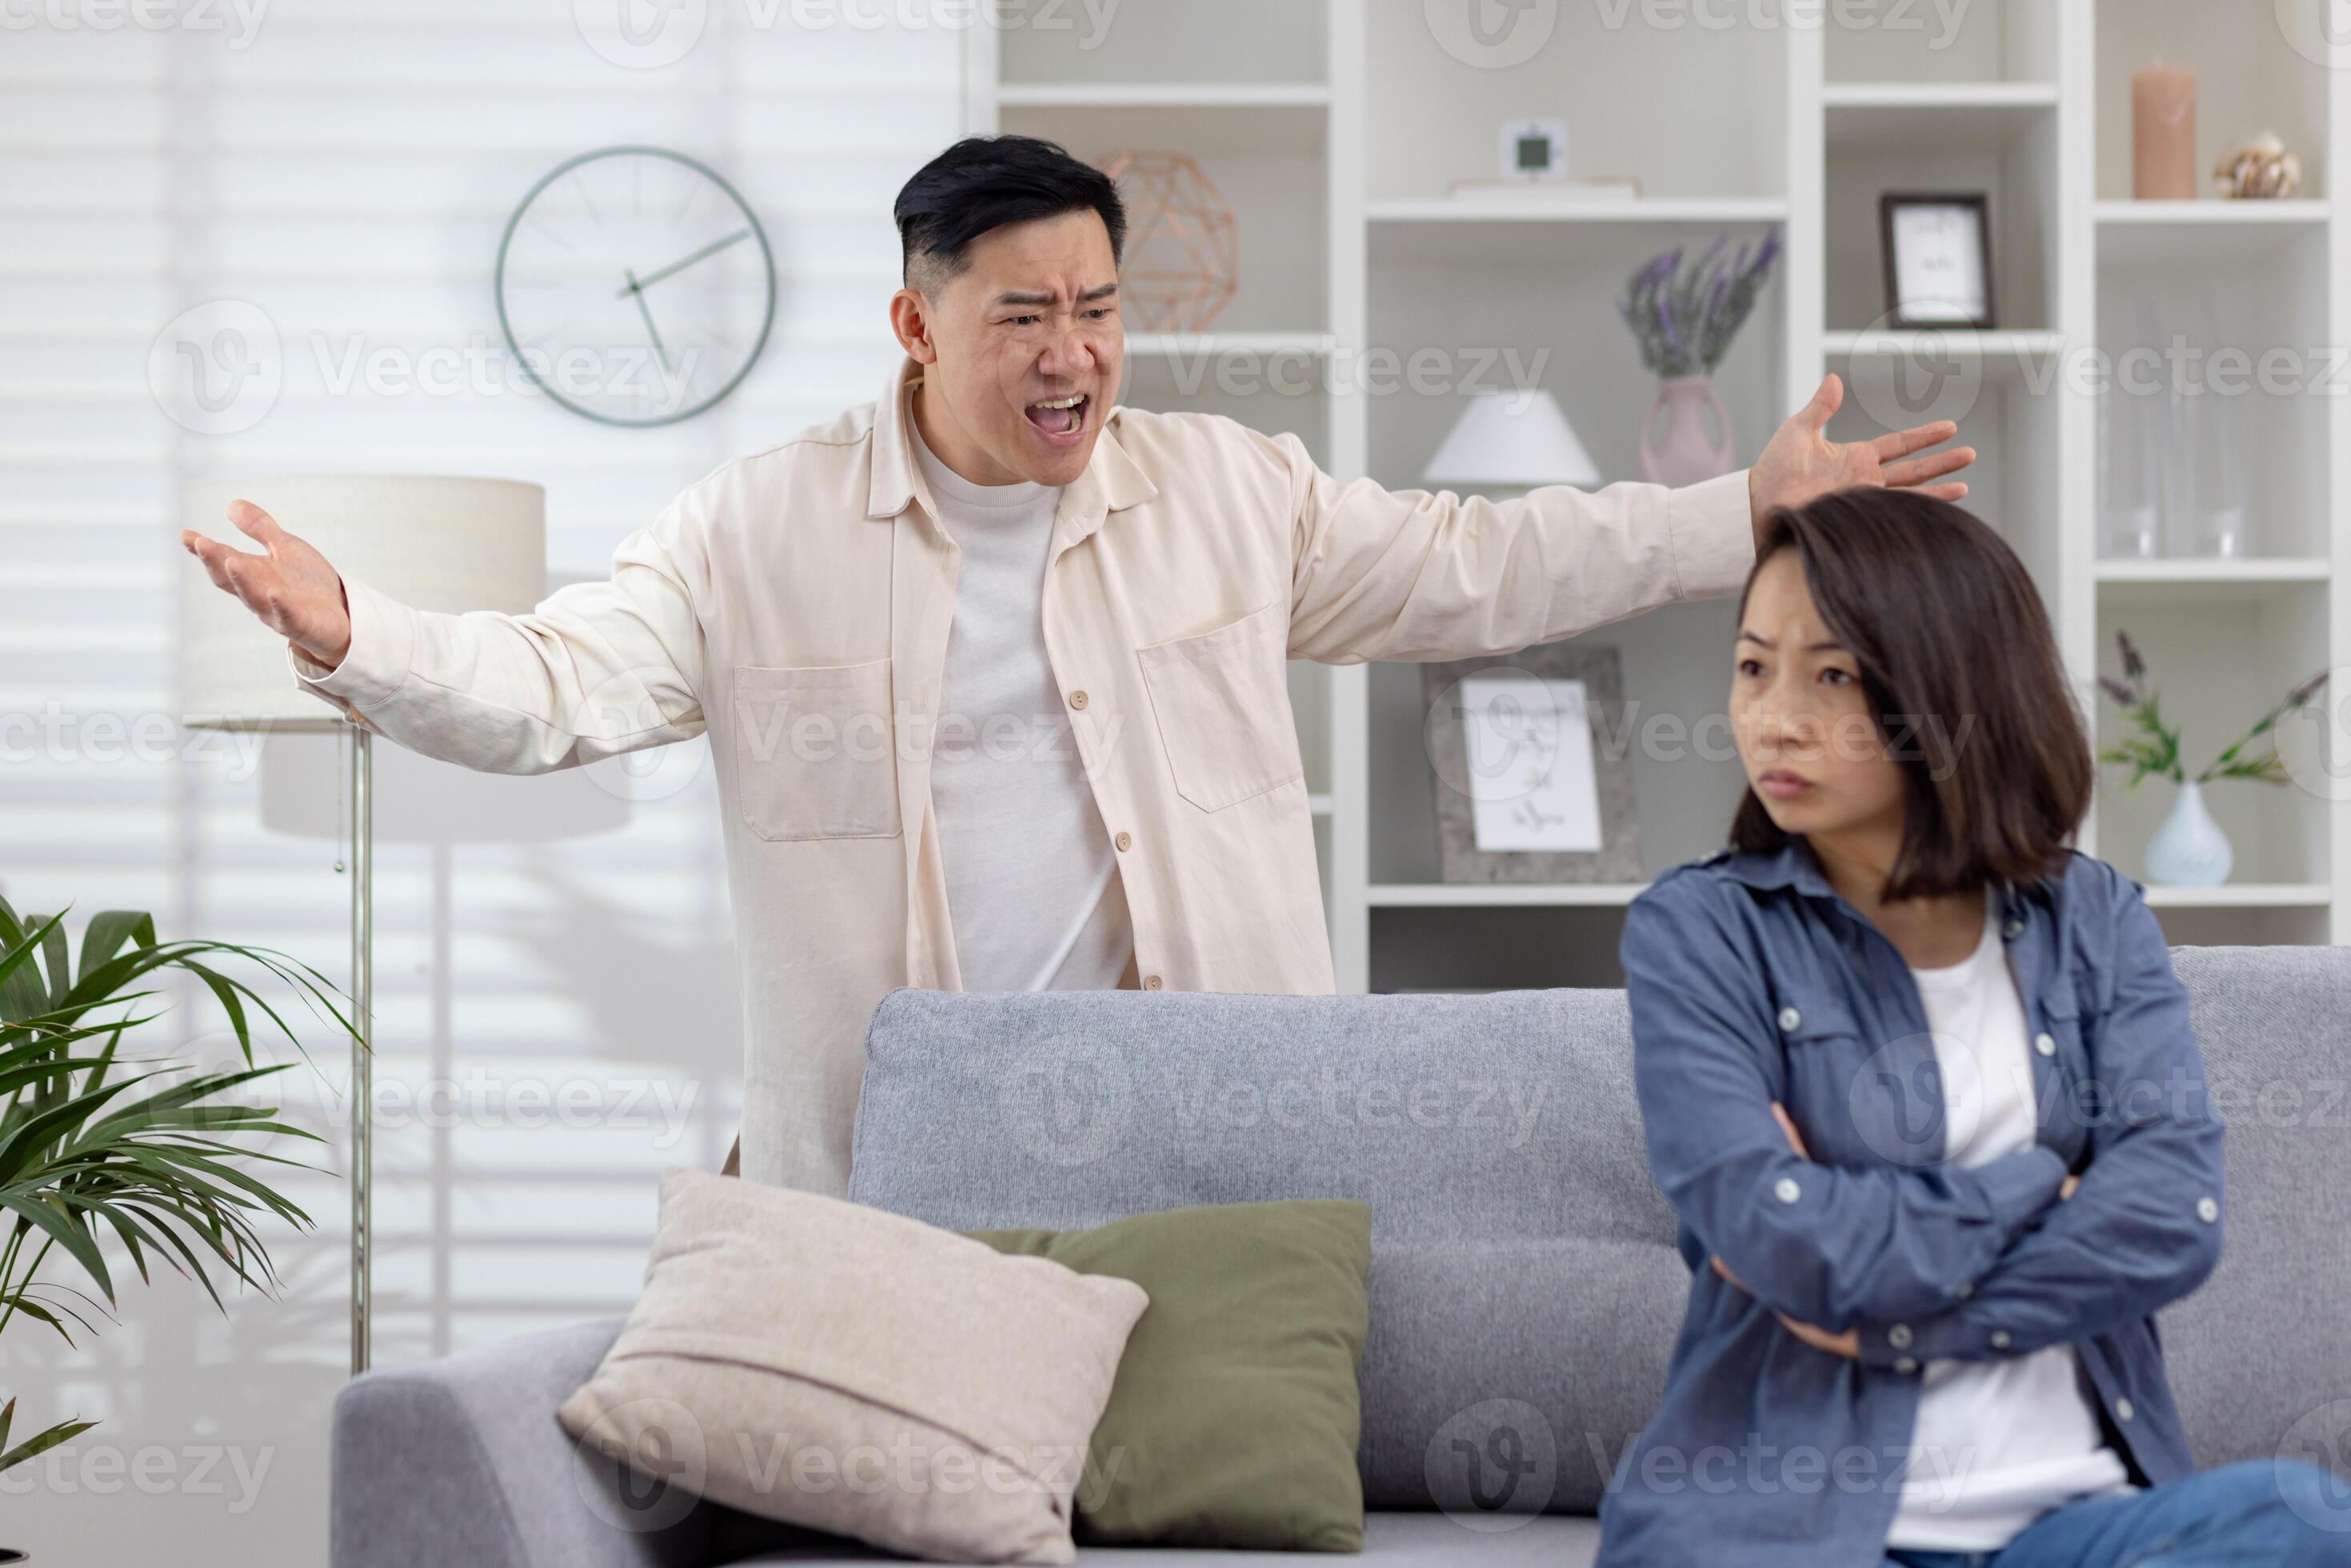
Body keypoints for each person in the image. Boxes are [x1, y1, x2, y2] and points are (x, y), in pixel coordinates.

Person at [180, 134, 1977, 1196]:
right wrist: (364, 639)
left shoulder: (1225, 488)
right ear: (918, 321)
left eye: (1101, 309)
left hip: (1219, 1118)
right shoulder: (754, 526)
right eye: (1025, 313)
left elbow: (1478, 563)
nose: (1075, 355)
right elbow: (554, 684)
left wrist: (1741, 504)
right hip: (908, 1152)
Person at [1601, 487, 2346, 1567]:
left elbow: (2173, 1215)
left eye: (1835, 675)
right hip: (1793, 1536)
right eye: (1755, 665)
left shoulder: (2094, 918)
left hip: (2073, 1527)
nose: (1775, 716)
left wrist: (1892, 1321)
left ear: (1949, 685)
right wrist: (2040, 1180)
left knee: (2303, 1518)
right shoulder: (1701, 931)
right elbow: (1785, 1242)